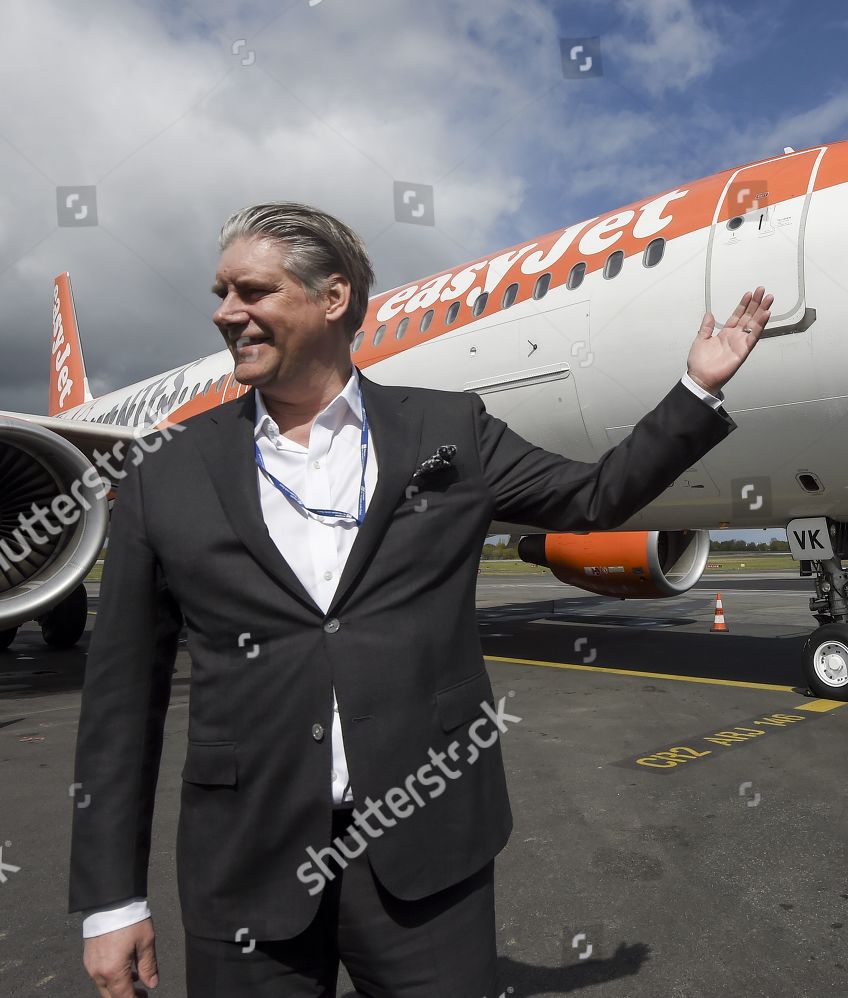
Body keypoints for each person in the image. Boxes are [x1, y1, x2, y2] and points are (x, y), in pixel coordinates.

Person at [69, 202, 773, 997]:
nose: (226, 312)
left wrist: (695, 390)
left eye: (253, 291)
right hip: (247, 867)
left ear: (333, 298)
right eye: (222, 292)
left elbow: (594, 497)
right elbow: (121, 701)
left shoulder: (449, 430)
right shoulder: (166, 470)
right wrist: (111, 901)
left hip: (427, 859)